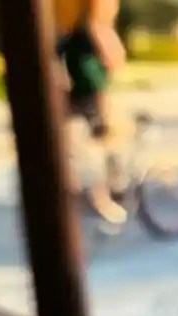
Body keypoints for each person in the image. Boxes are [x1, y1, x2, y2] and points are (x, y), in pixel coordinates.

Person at [54, 0, 127, 225]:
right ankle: (102, 198)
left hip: (85, 97)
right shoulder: (92, 29)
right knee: (96, 152)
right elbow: (115, 59)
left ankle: (106, 189)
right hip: (89, 98)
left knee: (99, 146)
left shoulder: (76, 31)